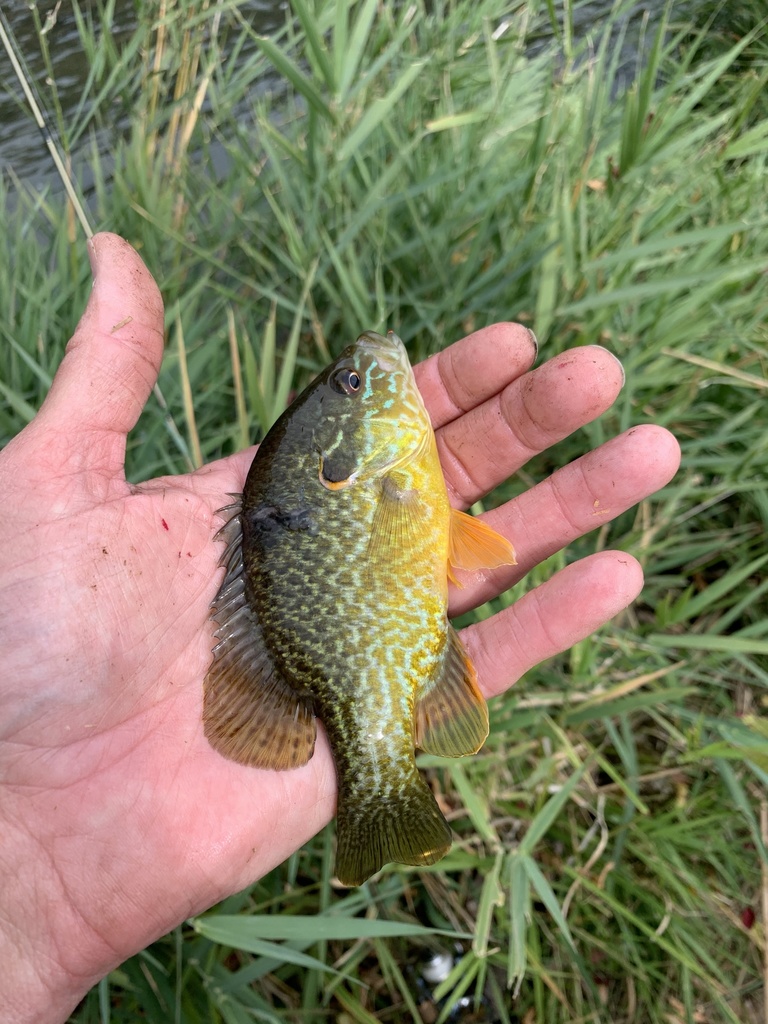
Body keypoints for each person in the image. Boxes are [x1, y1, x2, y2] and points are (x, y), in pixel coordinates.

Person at [0, 233, 680, 1024]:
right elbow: (448, 545)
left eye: (349, 378)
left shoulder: (384, 474)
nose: (369, 365)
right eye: (356, 382)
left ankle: (380, 787)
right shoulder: (390, 476)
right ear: (341, 463)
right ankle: (380, 787)